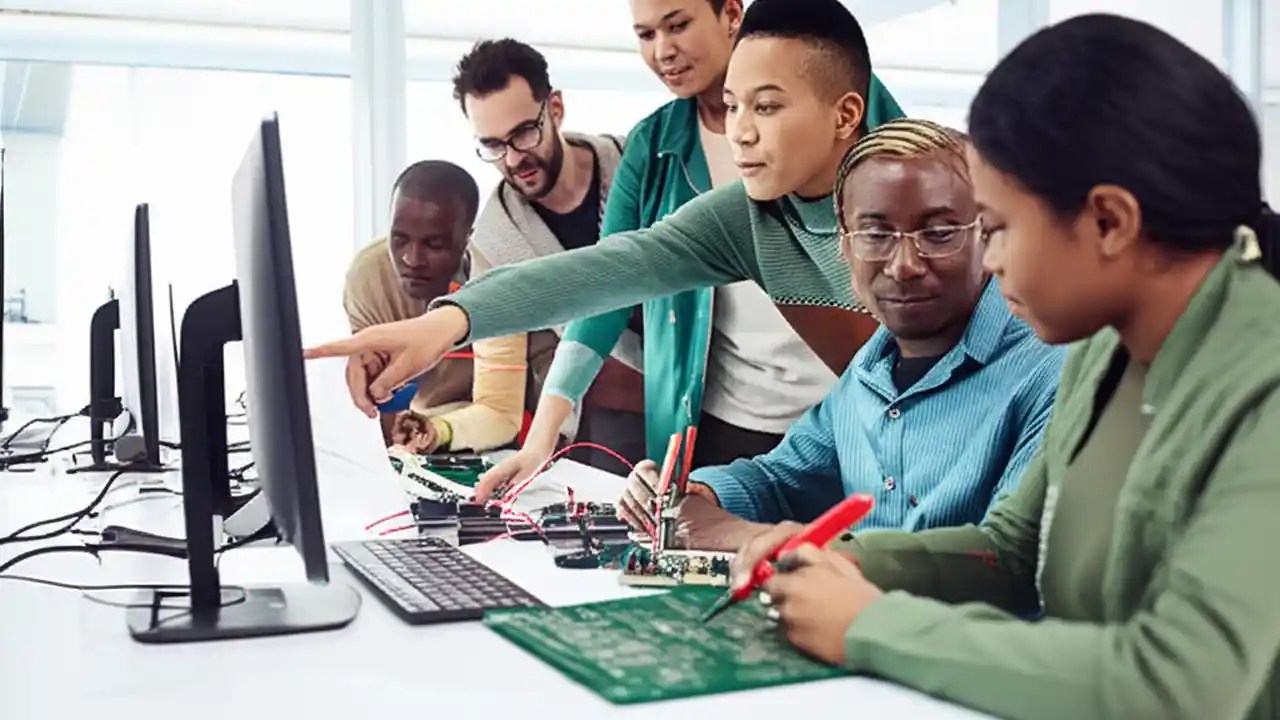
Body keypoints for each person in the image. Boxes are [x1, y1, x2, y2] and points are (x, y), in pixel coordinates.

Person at [732, 15, 1280, 720]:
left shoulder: (1262, 386)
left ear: (1109, 222)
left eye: (995, 228)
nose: (987, 261)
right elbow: (1013, 552)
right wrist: (854, 560)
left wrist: (870, 625)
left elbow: (1178, 683)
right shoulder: (1103, 350)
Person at [305, 0, 909, 431]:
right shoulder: (738, 216)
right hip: (758, 421)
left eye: (767, 106)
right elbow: (608, 270)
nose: (741, 133)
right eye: (732, 107)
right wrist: (448, 321)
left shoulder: (923, 198)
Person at [475, 0, 903, 501]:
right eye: (646, 35)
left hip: (851, 412)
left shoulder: (841, 87)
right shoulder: (653, 148)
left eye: (678, 25)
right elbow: (610, 282)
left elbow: (918, 208)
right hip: (726, 424)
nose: (664, 51)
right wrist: (543, 435)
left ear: (731, 15)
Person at [616, 119, 1065, 546]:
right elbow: (780, 481)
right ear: (844, 247)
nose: (904, 265)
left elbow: (1003, 557)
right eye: (875, 234)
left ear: (989, 234)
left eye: (939, 233)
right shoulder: (872, 368)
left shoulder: (1055, 373)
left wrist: (750, 538)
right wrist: (703, 495)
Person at [452, 38, 648, 468]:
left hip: (725, 385)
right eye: (493, 145)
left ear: (555, 108)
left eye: (524, 132)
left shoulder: (640, 165)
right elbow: (497, 382)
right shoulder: (493, 241)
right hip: (614, 410)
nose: (513, 159)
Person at [343, 160, 552, 454]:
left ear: (468, 237)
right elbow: (383, 402)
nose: (412, 259)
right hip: (433, 420)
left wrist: (436, 431)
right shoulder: (368, 276)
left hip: (525, 416)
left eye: (434, 244)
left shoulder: (496, 283)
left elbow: (501, 412)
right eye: (399, 239)